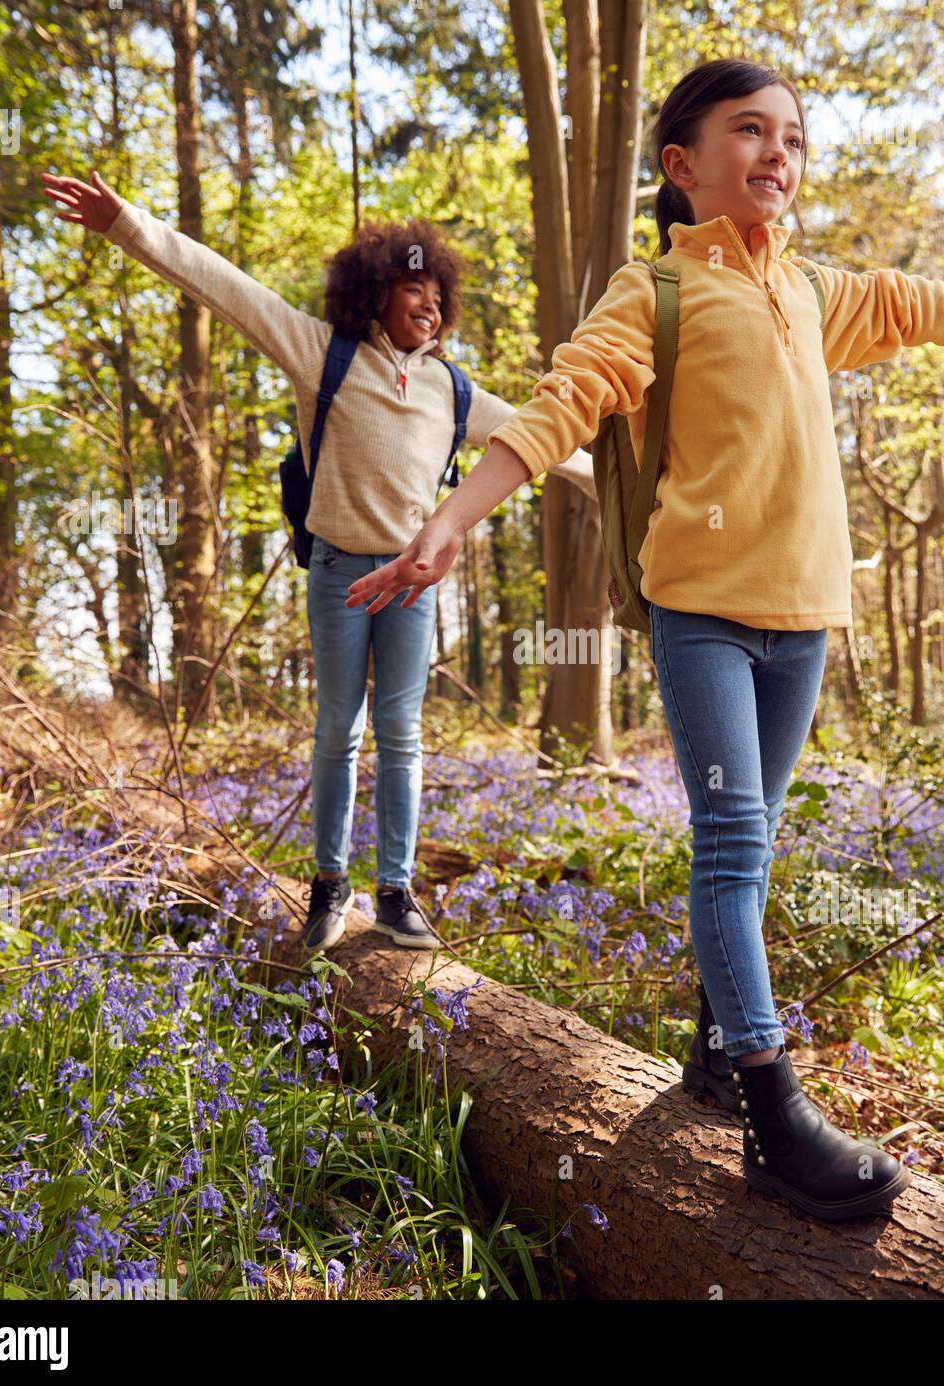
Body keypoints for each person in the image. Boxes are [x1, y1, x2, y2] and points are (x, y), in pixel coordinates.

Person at [342, 58, 944, 1220]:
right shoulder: (654, 291)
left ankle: (715, 1050)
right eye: (751, 131)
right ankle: (771, 1113)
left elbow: (925, 303)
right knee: (728, 841)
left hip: (804, 617)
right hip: (701, 611)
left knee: (755, 842)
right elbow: (561, 400)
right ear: (683, 164)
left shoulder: (813, 291)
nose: (780, 153)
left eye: (794, 138)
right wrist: (449, 522)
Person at [40, 170, 598, 955]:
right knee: (339, 729)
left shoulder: (454, 390)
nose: (430, 303)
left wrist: (643, 482)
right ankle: (329, 885)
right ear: (374, 295)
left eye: (438, 292)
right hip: (338, 574)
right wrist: (124, 223)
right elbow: (224, 287)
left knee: (401, 734)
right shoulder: (322, 354)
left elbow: (550, 440)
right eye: (413, 287)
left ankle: (397, 893)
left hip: (410, 583)